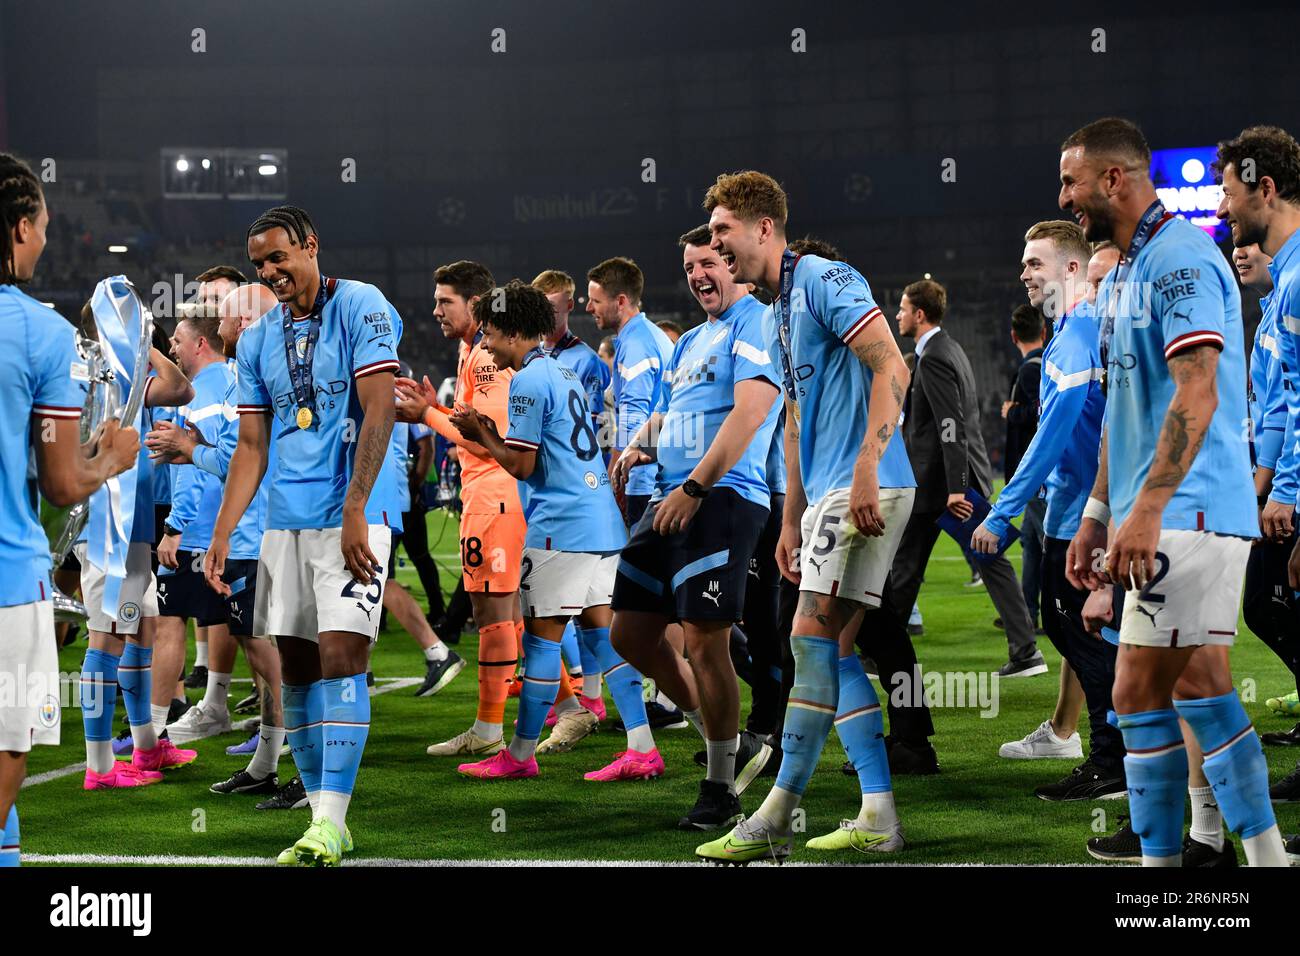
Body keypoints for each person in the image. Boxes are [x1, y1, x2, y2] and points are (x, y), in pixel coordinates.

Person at [1063, 117, 1285, 867]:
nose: (1066, 198)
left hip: (1190, 509)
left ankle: (1164, 875)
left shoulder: (1181, 257)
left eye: (1072, 181)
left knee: (1134, 693)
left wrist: (1147, 511)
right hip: (1169, 512)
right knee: (1202, 688)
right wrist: (1098, 517)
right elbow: (1123, 414)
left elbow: (1198, 394)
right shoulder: (1125, 269)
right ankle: (1263, 857)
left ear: (1114, 179)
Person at [695, 170, 914, 862]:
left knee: (806, 639)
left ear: (764, 228)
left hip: (860, 486)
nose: (715, 246)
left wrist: (867, 467)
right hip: (824, 494)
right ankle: (878, 811)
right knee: (835, 650)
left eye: (723, 232)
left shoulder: (821, 275)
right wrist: (788, 520)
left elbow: (892, 368)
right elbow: (794, 420)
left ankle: (772, 814)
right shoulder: (779, 310)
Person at [205, 204, 404, 866]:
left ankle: (332, 818)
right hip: (285, 524)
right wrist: (224, 529)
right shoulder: (259, 338)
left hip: (351, 519)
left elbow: (380, 407)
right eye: (259, 262)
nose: (270, 270)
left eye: (278, 256)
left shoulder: (363, 306)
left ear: (311, 245)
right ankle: (323, 820)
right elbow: (252, 445)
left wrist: (356, 508)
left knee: (344, 655)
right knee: (296, 665)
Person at [609, 223, 781, 826]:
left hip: (724, 499)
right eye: (689, 269)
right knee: (628, 634)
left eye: (708, 263)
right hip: (670, 498)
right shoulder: (693, 339)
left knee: (706, 642)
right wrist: (640, 442)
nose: (698, 276)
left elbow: (752, 408)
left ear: (732, 260)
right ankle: (732, 741)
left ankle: (721, 785)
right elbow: (675, 409)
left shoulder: (757, 320)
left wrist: (695, 485)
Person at [0, 152, 140, 865]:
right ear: (21, 226)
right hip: (8, 583)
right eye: (45, 226)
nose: (48, 240)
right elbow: (61, 485)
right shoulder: (43, 332)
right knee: (7, 755)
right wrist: (112, 457)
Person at [972, 222, 1125, 801]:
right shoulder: (1071, 332)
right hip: (1078, 509)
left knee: (1082, 636)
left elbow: (1052, 437)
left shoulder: (1079, 334)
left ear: (1069, 269)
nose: (1024, 273)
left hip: (1086, 517)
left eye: (1035, 263)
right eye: (1023, 261)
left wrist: (1002, 512)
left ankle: (1116, 762)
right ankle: (1104, 752)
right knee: (1079, 633)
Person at [449, 281, 627, 776]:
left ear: (510, 330)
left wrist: (478, 432)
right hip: (601, 523)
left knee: (542, 642)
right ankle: (641, 745)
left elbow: (522, 466)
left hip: (562, 526)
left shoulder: (526, 380)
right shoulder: (562, 370)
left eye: (489, 334)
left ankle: (520, 756)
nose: (485, 344)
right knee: (601, 638)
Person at [147, 282, 291, 796]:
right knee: (258, 646)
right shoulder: (244, 381)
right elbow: (236, 460)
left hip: (260, 534)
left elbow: (243, 464)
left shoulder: (236, 385)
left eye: (229, 318)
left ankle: (292, 760)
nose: (223, 326)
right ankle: (268, 760)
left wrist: (191, 449)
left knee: (268, 647)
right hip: (245, 534)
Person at [894, 279, 1047, 678]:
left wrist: (957, 486)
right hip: (939, 484)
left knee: (978, 561)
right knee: (909, 566)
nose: (898, 315)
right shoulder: (949, 349)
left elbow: (950, 424)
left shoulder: (935, 357)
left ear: (920, 314)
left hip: (945, 488)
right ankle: (886, 649)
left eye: (903, 309)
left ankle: (1026, 650)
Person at [77, 292, 197, 790]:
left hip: (136, 528)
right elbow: (180, 387)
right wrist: (135, 344)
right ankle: (100, 767)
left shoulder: (124, 380)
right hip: (108, 526)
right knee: (104, 638)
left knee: (142, 628)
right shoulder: (88, 376)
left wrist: (142, 342)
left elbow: (179, 387)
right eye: (131, 321)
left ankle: (147, 749)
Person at [1219, 127, 1300, 825]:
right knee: (1269, 607)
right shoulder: (1284, 287)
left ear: (1264, 189)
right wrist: (1264, 478)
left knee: (1272, 607)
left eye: (1229, 191)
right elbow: (1277, 400)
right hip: (1281, 488)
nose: (1224, 207)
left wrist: (1288, 489)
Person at [533, 269, 612, 705]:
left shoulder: (585, 361)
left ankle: (588, 693)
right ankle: (571, 692)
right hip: (541, 488)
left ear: (570, 304)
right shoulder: (529, 357)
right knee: (555, 599)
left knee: (582, 602)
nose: (548, 312)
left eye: (555, 304)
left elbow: (596, 432)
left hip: (575, 491)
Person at [1233, 242, 1300, 738]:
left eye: (1247, 243)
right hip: (1276, 478)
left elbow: (1285, 408)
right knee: (1265, 601)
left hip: (1284, 484)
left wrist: (1272, 485)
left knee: (1264, 600)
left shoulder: (1288, 299)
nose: (1239, 252)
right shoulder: (1271, 309)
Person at [586, 256, 674, 529]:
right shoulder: (642, 335)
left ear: (621, 301)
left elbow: (633, 417)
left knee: (634, 569)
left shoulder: (637, 343)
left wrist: (616, 474)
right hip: (653, 472)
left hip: (645, 478)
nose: (588, 307)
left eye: (596, 301)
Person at [1003, 303, 1046, 632]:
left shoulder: (1032, 369)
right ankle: (1027, 613)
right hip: (1035, 471)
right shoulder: (1040, 364)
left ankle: (1051, 610)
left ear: (1014, 335)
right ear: (1042, 332)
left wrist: (1011, 413)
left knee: (1045, 541)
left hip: (1034, 471)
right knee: (1032, 544)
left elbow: (1040, 414)